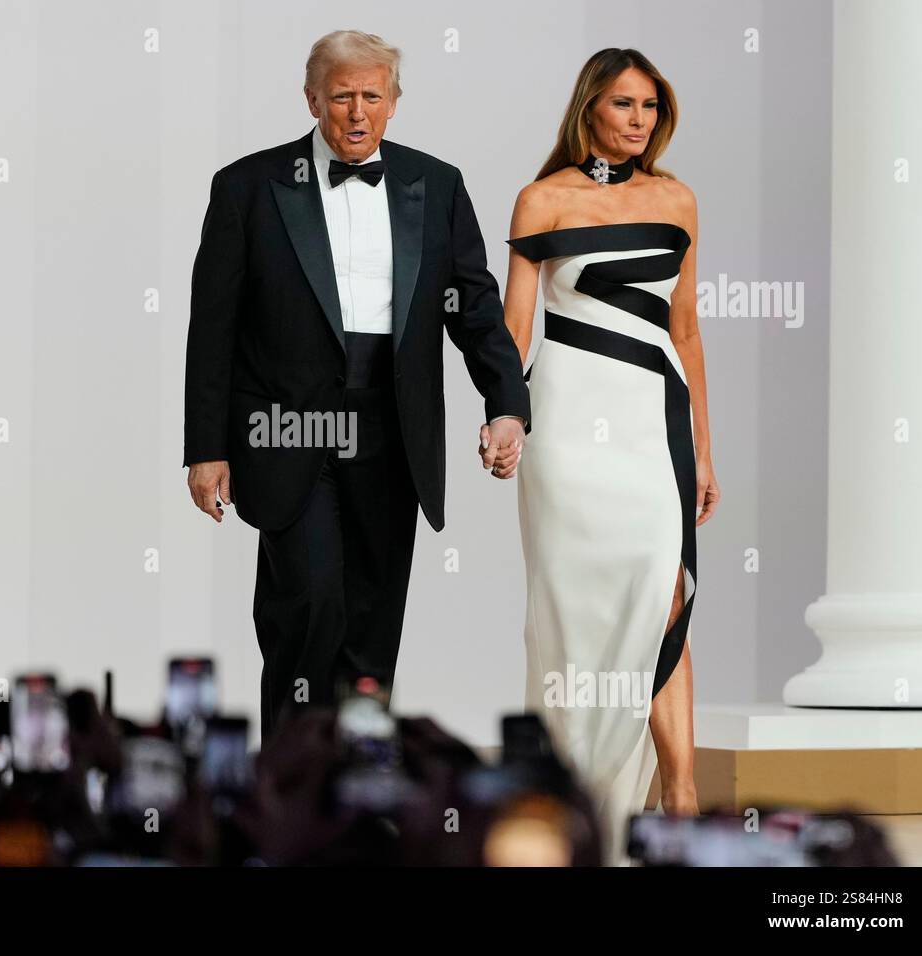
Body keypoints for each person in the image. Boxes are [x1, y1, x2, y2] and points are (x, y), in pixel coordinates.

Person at [183, 30, 529, 740]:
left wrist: (506, 406)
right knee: (307, 605)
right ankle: (286, 789)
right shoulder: (247, 187)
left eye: (372, 96)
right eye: (342, 96)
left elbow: (475, 307)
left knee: (372, 622)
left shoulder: (436, 185)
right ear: (312, 99)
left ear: (394, 104)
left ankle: (357, 793)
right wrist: (205, 447)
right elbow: (212, 327)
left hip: (393, 426)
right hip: (285, 428)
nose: (357, 112)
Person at [502, 48, 721, 865]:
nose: (639, 122)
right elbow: (514, 328)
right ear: (590, 106)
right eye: (625, 105)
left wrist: (703, 447)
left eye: (651, 108)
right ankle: (568, 798)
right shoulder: (542, 200)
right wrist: (505, 417)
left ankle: (682, 794)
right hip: (566, 429)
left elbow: (688, 328)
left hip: (651, 426)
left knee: (666, 595)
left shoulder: (678, 199)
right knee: (574, 612)